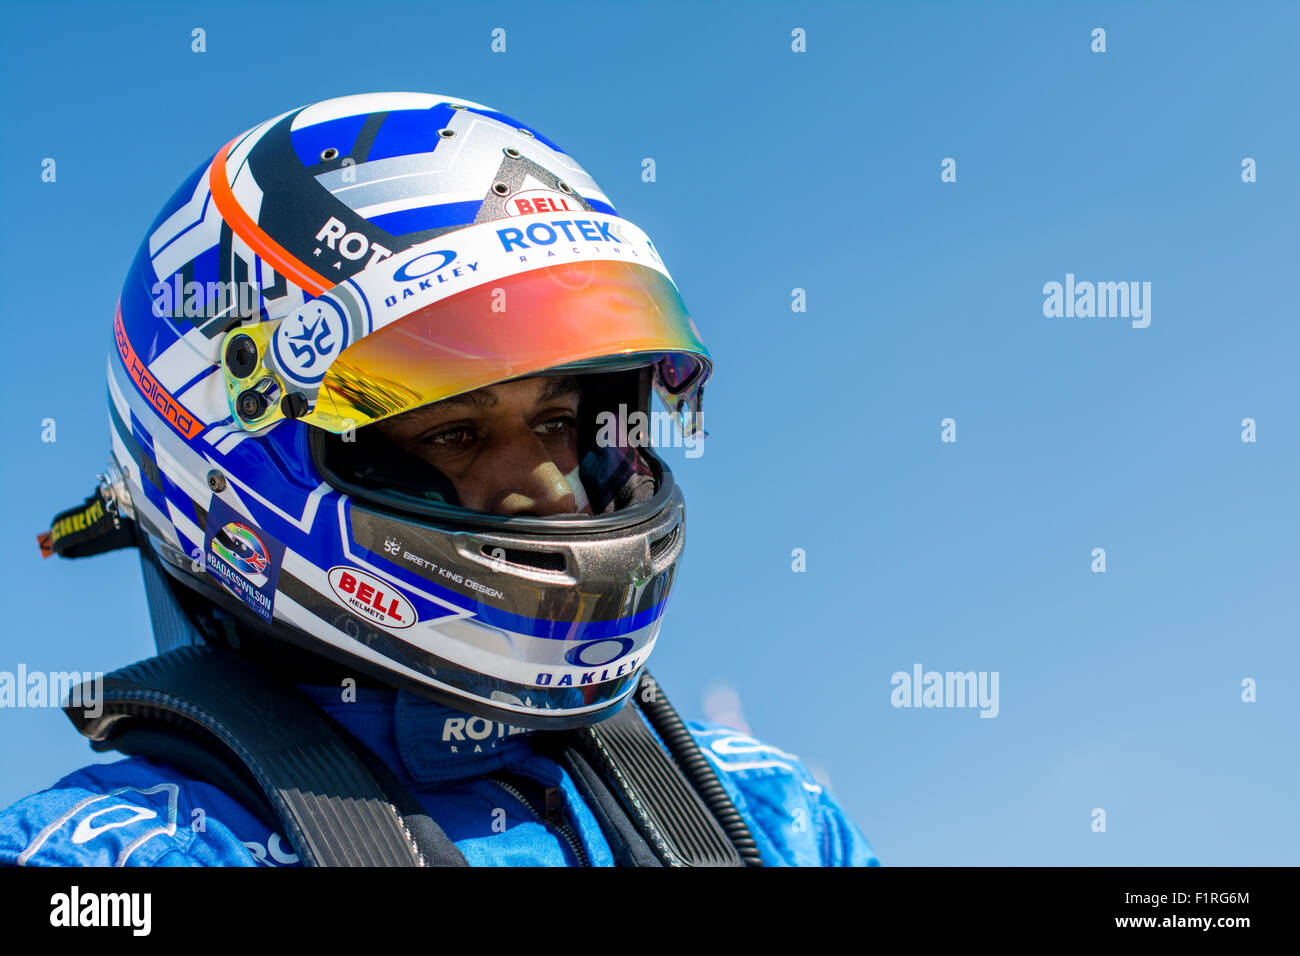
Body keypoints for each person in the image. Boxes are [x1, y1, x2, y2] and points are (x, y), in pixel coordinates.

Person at [0, 92, 879, 867]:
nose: (552, 488)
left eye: (563, 419)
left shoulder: (774, 815)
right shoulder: (127, 853)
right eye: (456, 431)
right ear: (235, 461)